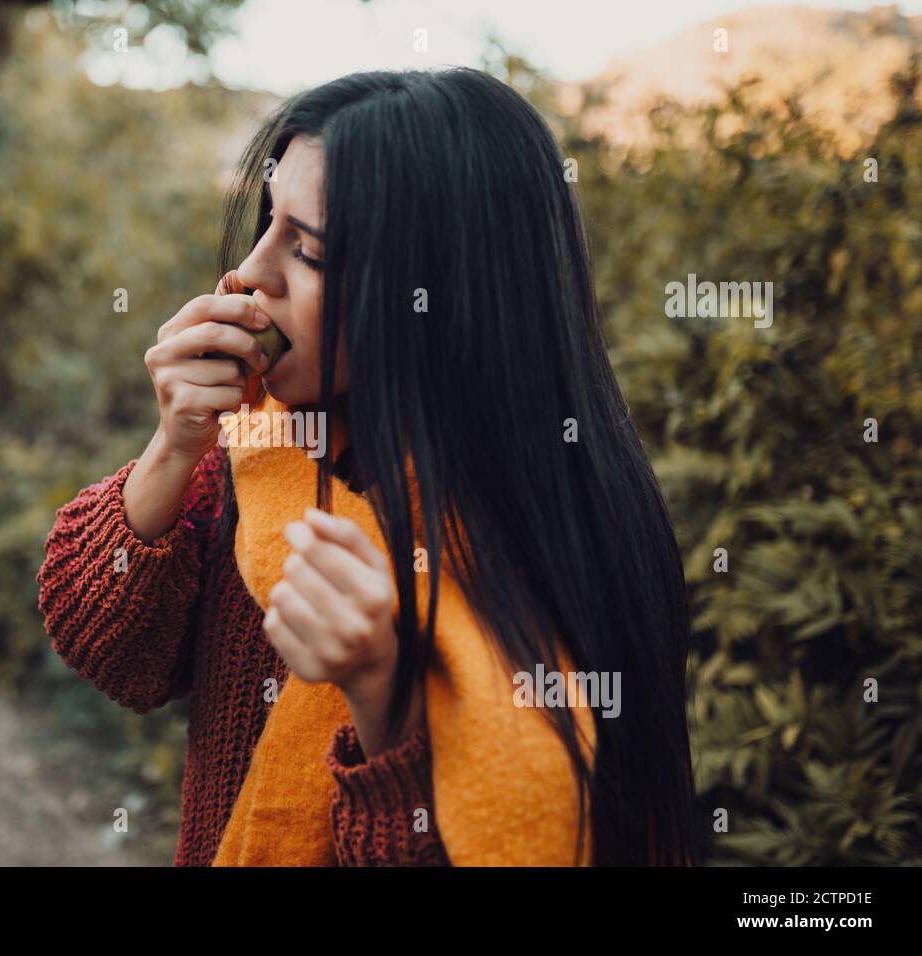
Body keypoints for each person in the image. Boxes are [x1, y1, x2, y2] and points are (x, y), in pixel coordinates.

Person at [37, 67, 698, 866]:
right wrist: (173, 448)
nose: (252, 272)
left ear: (440, 289)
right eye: (268, 223)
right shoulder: (267, 449)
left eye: (308, 250)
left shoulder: (567, 543)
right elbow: (111, 651)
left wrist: (383, 698)